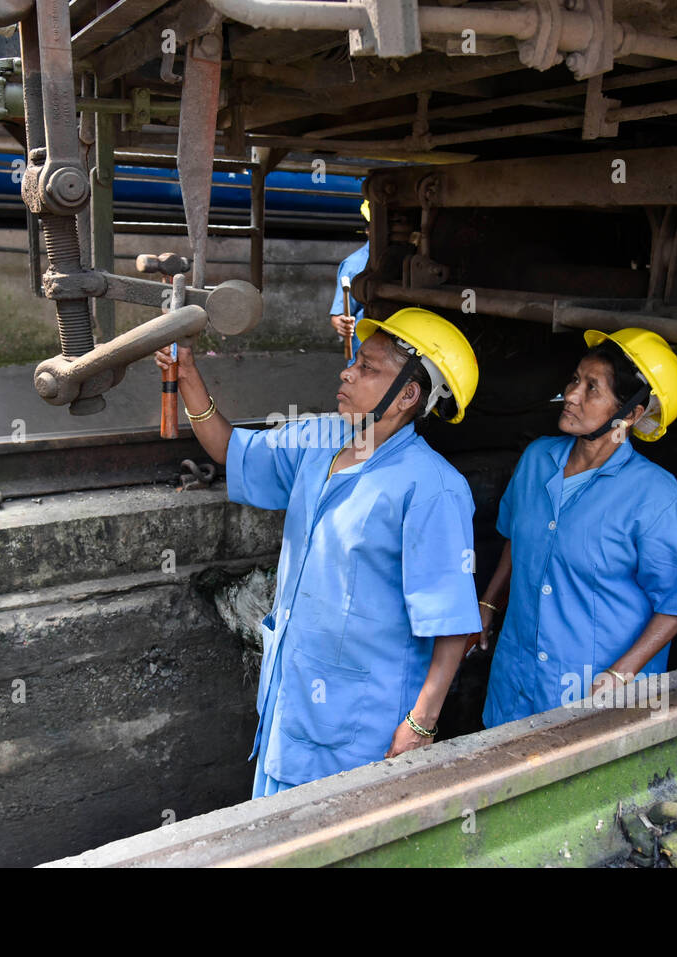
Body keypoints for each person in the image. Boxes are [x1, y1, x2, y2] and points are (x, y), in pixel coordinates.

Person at [154, 307, 482, 796]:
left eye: (369, 367)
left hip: (361, 724)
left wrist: (421, 724)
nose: (347, 371)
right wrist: (189, 375)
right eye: (355, 362)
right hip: (292, 696)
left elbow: (452, 624)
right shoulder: (320, 440)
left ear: (408, 395)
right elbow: (230, 449)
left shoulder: (433, 488)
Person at [476, 328, 677, 725]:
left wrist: (622, 673)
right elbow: (518, 540)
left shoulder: (655, 496)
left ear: (631, 414)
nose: (571, 395)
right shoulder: (537, 459)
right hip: (516, 679)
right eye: (574, 380)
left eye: (592, 389)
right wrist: (488, 604)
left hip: (595, 694)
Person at [329, 199, 371, 366]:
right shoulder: (354, 265)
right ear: (367, 230)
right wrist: (341, 324)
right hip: (364, 359)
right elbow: (338, 316)